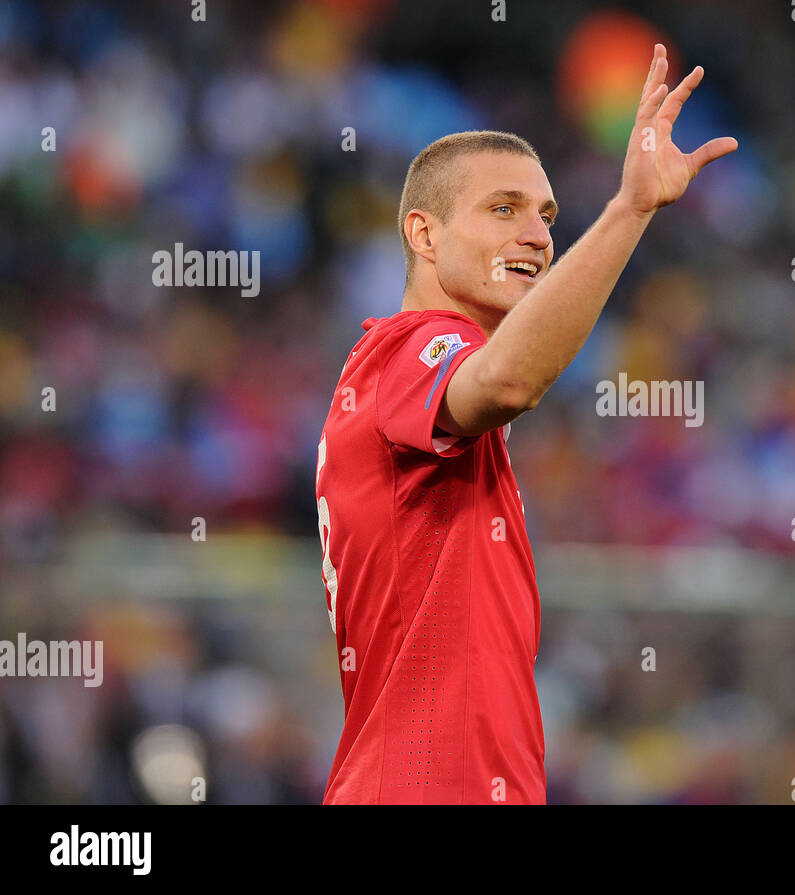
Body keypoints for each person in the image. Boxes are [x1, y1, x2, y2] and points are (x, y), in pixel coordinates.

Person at [314, 44, 737, 803]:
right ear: (424, 235)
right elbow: (509, 379)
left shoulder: (423, 396)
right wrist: (629, 208)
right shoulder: (408, 349)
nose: (537, 234)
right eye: (502, 209)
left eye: (545, 214)